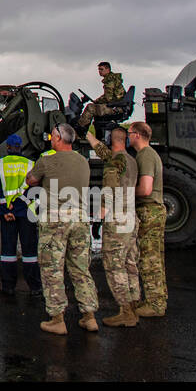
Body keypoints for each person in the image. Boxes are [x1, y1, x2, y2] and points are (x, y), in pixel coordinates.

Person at [26, 122, 99, 334]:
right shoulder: (83, 162)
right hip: (80, 219)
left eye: (52, 136)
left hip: (55, 220)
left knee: (52, 269)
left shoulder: (47, 161)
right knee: (80, 269)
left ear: (58, 138)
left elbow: (31, 180)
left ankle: (57, 319)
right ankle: (89, 316)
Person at [88, 125, 140, 325]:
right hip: (131, 218)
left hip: (117, 220)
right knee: (130, 263)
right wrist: (90, 136)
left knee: (114, 265)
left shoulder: (112, 163)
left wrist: (98, 219)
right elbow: (105, 152)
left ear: (111, 139)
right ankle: (134, 305)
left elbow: (108, 192)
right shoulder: (131, 161)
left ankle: (125, 312)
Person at [0, 134, 42, 296]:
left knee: (8, 251)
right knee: (29, 252)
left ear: (8, 148)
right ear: (21, 147)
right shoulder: (30, 164)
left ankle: (8, 286)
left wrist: (5, 211)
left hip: (9, 213)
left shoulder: (0, 164)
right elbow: (35, 191)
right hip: (27, 213)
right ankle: (34, 286)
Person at [128, 121, 167, 317]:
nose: (128, 136)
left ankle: (155, 306)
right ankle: (157, 299)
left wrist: (124, 192)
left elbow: (145, 189)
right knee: (155, 258)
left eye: (129, 133)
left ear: (136, 135)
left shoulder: (145, 156)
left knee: (149, 259)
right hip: (153, 211)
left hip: (149, 211)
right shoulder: (148, 154)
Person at [74, 61, 127, 130]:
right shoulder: (112, 79)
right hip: (117, 106)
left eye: (101, 69)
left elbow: (109, 98)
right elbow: (107, 96)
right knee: (94, 107)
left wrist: (97, 101)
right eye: (99, 69)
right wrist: (97, 101)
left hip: (116, 108)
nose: (99, 71)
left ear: (108, 69)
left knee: (90, 108)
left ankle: (80, 130)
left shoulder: (110, 81)